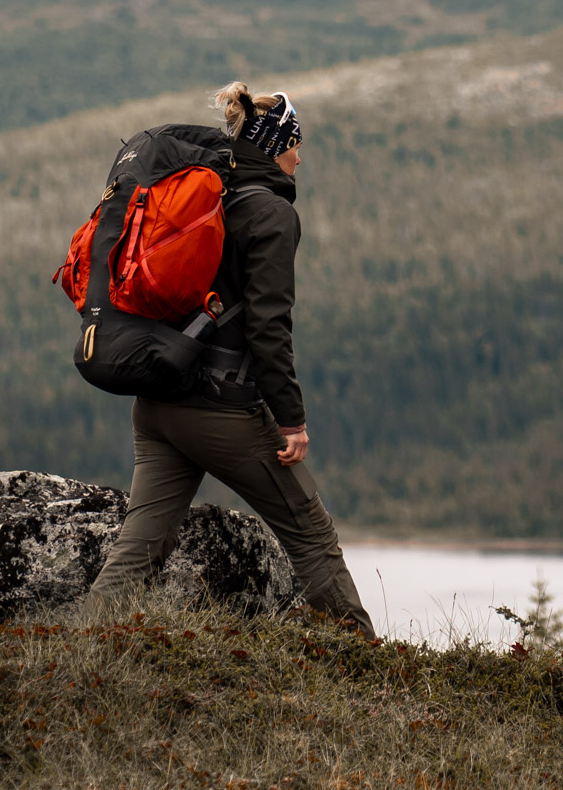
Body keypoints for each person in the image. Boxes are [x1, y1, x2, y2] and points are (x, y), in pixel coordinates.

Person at [85, 82, 375, 637]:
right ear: (272, 145)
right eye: (295, 143)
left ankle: (77, 653)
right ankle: (373, 667)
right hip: (220, 409)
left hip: (158, 401)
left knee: (140, 546)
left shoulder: (205, 197)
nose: (300, 156)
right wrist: (290, 420)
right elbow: (269, 327)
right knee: (311, 534)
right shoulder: (270, 215)